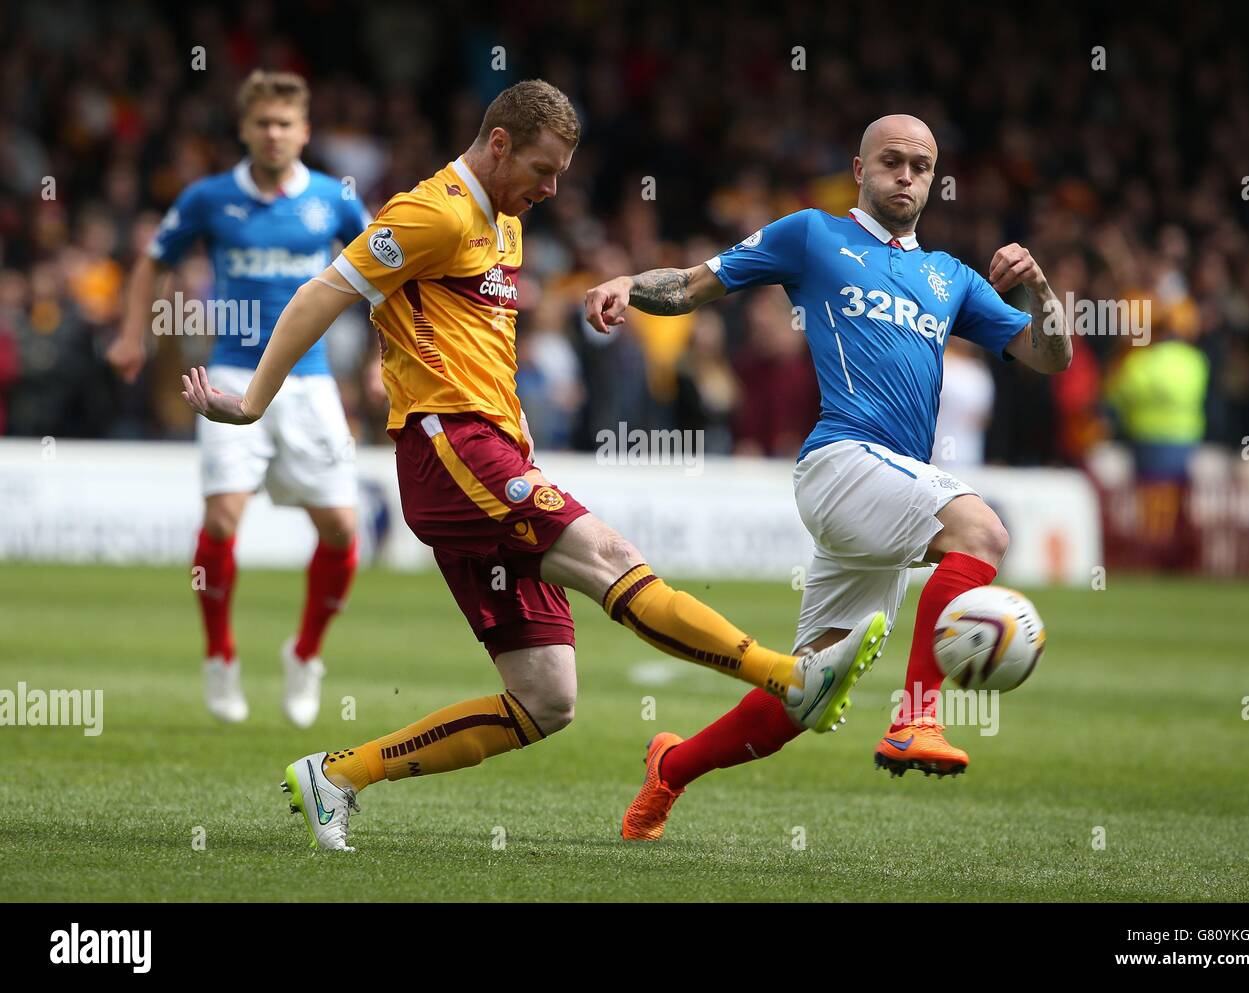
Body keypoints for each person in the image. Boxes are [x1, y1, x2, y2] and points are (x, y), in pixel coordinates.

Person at [180, 80, 881, 853]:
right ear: (500, 143)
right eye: (543, 170)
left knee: (547, 698)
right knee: (611, 556)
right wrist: (254, 402)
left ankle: (337, 776)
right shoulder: (431, 212)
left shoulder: (505, 222)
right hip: (449, 447)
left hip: (493, 451)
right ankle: (790, 676)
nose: (551, 190)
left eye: (561, 176)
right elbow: (323, 292)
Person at [584, 114, 1072, 841]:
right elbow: (690, 286)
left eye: (920, 166)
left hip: (892, 483)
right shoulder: (812, 235)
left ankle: (670, 768)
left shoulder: (950, 278)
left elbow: (1048, 357)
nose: (906, 176)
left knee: (803, 696)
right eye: (892, 162)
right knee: (983, 528)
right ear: (860, 169)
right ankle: (915, 721)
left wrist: (1037, 288)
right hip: (843, 460)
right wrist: (629, 279)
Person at [109, 70, 370, 728]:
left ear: (305, 131)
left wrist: (383, 361)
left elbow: (382, 276)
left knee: (342, 530)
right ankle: (220, 654)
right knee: (223, 519)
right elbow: (151, 258)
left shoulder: (334, 202)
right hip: (229, 371)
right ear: (246, 129)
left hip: (309, 383)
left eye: (286, 123)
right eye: (263, 123)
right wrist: (131, 333)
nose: (274, 134)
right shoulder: (208, 197)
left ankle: (305, 653)